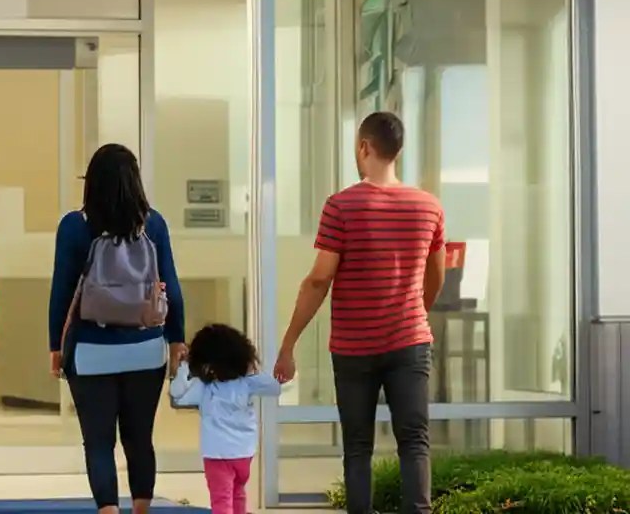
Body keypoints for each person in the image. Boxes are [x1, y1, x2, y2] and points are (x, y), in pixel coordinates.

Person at [273, 112, 447, 514]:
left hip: (354, 348)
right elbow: (435, 276)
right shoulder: (428, 207)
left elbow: (319, 280)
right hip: (410, 343)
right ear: (398, 151)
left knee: (357, 447)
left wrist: (288, 344)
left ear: (364, 147)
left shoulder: (342, 206)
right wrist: (414, 314)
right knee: (415, 441)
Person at [48, 143, 186, 514]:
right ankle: (142, 509)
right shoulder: (153, 224)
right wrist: (176, 339)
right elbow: (170, 285)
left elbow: (61, 291)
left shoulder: (74, 226)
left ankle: (108, 510)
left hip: (91, 351)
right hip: (145, 349)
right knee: (140, 438)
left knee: (98, 442)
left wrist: (56, 347)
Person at [170, 324, 283, 514]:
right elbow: (275, 386)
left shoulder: (205, 389)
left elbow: (177, 395)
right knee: (238, 494)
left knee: (221, 501)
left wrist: (183, 367)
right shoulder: (246, 384)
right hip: (244, 453)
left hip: (217, 454)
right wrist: (252, 368)